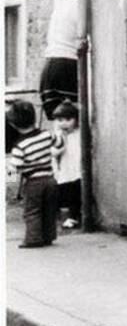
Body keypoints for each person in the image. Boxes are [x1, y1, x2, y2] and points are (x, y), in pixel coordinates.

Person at [7, 99, 58, 247]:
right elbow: (58, 143)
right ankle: (48, 236)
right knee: (49, 209)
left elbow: (14, 168)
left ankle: (33, 239)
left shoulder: (19, 146)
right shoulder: (46, 135)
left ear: (13, 125)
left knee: (32, 211)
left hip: (34, 183)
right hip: (50, 179)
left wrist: (11, 186)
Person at [40, 0, 81, 121]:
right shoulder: (83, 5)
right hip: (67, 65)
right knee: (73, 118)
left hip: (50, 65)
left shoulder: (64, 6)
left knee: (58, 120)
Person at [51, 101, 82, 228]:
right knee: (63, 193)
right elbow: (53, 151)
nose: (63, 123)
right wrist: (60, 144)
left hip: (76, 170)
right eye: (59, 120)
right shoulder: (56, 136)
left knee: (75, 193)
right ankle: (64, 217)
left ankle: (73, 217)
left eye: (68, 119)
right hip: (63, 170)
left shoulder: (79, 134)